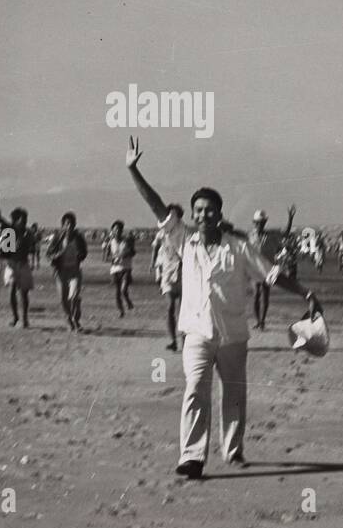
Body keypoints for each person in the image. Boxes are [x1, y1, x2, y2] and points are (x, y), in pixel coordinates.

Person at [125, 137, 322, 479]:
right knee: (195, 390)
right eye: (197, 210)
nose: (203, 215)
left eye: (209, 209)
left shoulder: (240, 248)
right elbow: (157, 207)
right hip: (197, 333)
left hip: (232, 335)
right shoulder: (184, 240)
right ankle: (191, 457)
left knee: (233, 395)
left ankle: (233, 450)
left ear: (219, 213)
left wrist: (306, 293)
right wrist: (133, 169)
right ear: (192, 215)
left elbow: (272, 274)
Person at [0, 195, 36, 328]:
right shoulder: (10, 229)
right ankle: (15, 317)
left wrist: (33, 261)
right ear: (16, 220)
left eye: (25, 219)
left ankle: (25, 318)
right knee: (11, 291)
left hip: (23, 265)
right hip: (11, 265)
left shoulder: (28, 233)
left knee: (24, 293)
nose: (24, 221)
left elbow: (31, 249)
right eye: (22, 219)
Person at [152, 204, 186, 351]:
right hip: (167, 271)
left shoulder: (183, 230)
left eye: (175, 215)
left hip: (183, 272)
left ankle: (184, 340)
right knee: (170, 307)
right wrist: (153, 265)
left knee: (182, 310)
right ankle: (173, 340)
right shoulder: (162, 233)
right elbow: (155, 247)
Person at [47, 211, 88, 331]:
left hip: (74, 271)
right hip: (61, 272)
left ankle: (76, 320)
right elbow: (49, 254)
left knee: (74, 297)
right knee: (63, 299)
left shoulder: (78, 238)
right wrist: (58, 254)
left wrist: (80, 254)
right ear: (63, 225)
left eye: (71, 224)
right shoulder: (58, 238)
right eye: (67, 224)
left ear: (75, 225)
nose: (69, 226)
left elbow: (84, 252)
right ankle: (69, 319)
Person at [103, 220, 136, 318]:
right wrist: (113, 259)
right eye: (115, 230)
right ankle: (121, 311)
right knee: (117, 292)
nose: (117, 232)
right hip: (115, 270)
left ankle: (128, 301)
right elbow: (105, 258)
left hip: (126, 268)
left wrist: (125, 255)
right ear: (112, 231)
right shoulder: (110, 242)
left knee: (123, 290)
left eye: (119, 230)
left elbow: (133, 252)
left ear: (122, 231)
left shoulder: (126, 241)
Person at [249, 209, 273, 330]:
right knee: (256, 295)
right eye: (258, 222)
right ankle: (258, 321)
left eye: (262, 222)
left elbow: (286, 233)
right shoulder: (250, 236)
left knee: (265, 295)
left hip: (267, 269)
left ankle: (262, 321)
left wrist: (290, 220)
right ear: (254, 223)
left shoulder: (270, 236)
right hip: (254, 269)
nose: (260, 224)